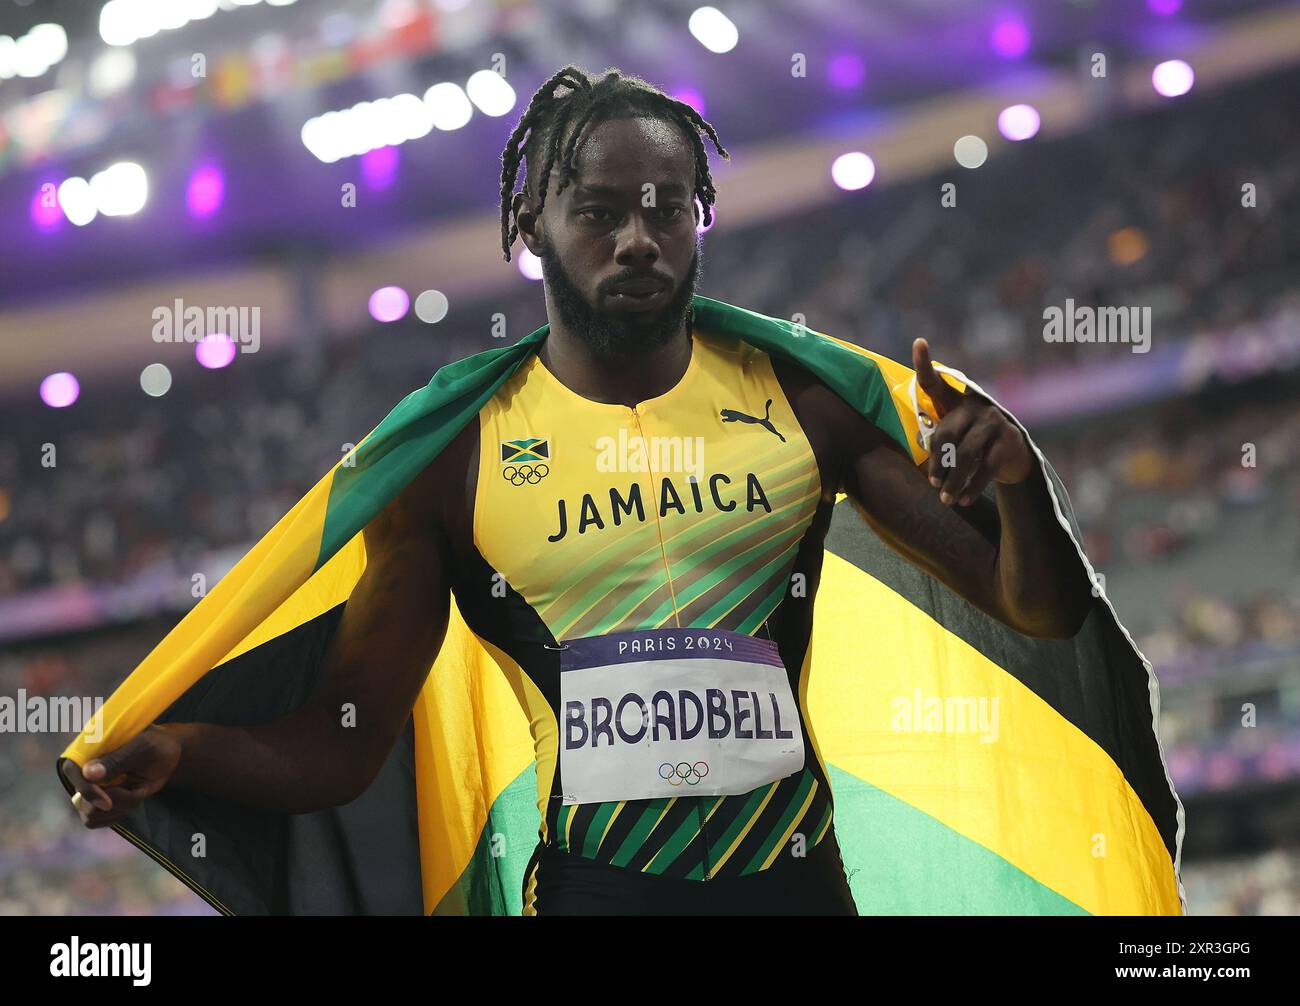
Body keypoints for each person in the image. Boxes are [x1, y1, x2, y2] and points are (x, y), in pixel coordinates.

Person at [62, 67, 1092, 915]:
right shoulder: (451, 460)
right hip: (600, 894)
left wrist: (1019, 486)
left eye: (665, 210)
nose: (637, 239)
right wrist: (186, 748)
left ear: (699, 219)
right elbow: (345, 740)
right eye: (597, 212)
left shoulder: (807, 404)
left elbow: (1037, 612)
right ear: (532, 226)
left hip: (795, 889)